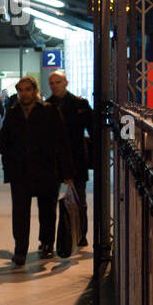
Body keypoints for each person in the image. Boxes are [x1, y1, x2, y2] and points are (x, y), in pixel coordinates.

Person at [0, 76, 74, 266]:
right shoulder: (13, 113)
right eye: (21, 90)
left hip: (46, 169)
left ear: (35, 91)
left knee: (47, 210)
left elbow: (61, 142)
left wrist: (66, 172)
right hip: (20, 172)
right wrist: (9, 170)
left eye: (27, 90)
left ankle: (47, 243)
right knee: (20, 212)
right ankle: (20, 249)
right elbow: (5, 144)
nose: (24, 94)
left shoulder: (49, 111)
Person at [46, 71, 93, 247]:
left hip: (76, 160)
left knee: (79, 200)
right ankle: (52, 239)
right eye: (51, 83)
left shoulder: (80, 105)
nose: (54, 85)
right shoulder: (47, 106)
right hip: (54, 161)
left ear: (65, 82)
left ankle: (80, 234)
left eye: (57, 82)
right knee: (50, 202)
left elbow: (94, 129)